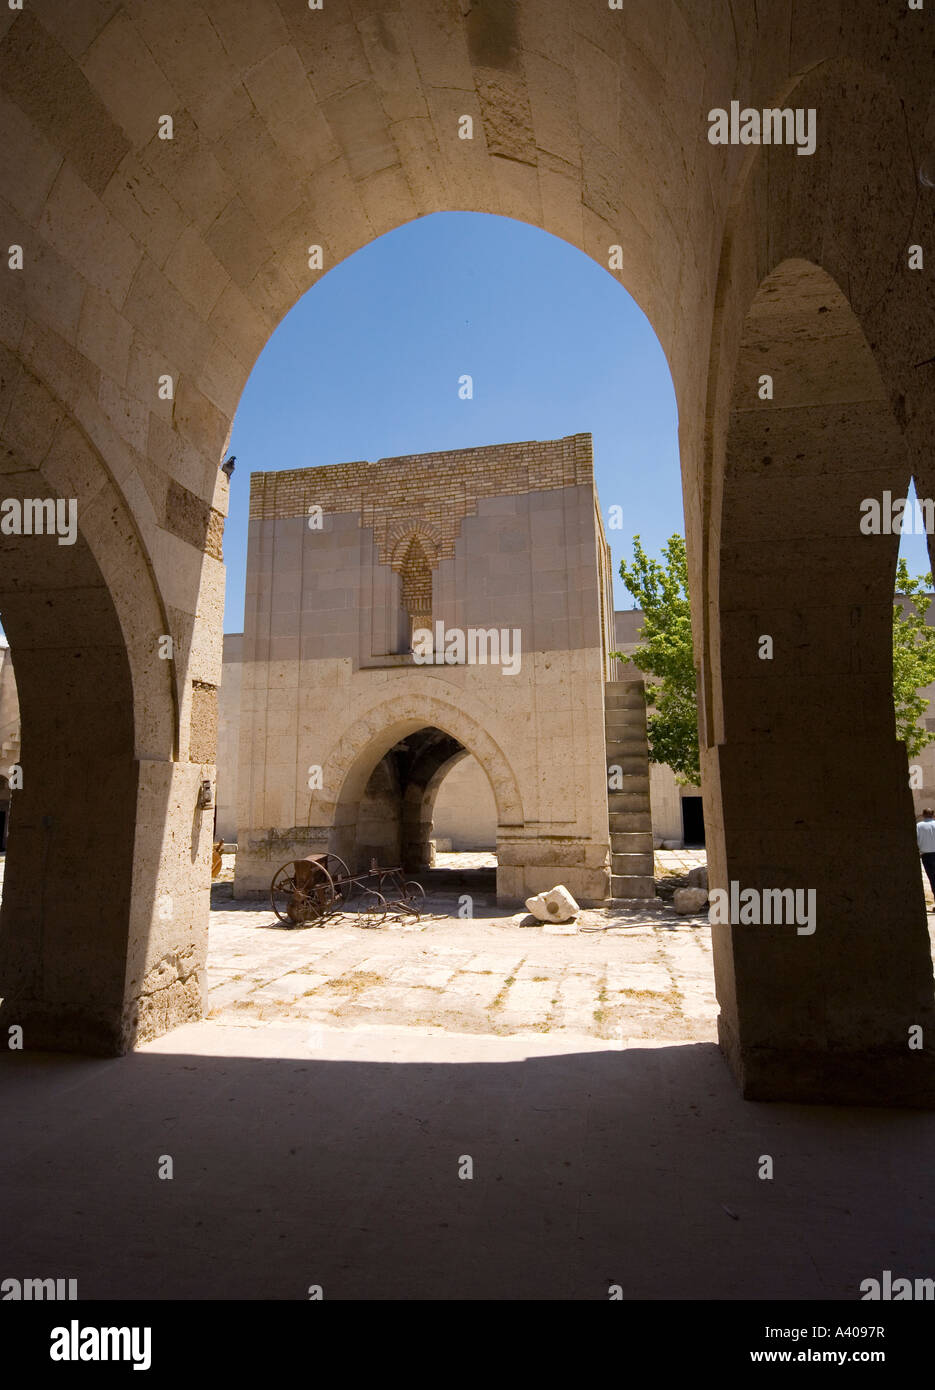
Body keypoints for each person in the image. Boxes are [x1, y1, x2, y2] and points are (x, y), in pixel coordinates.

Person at [916, 808, 935, 909]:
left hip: (926, 856)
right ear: (933, 815)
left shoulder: (918, 826)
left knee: (932, 879)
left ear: (923, 815)